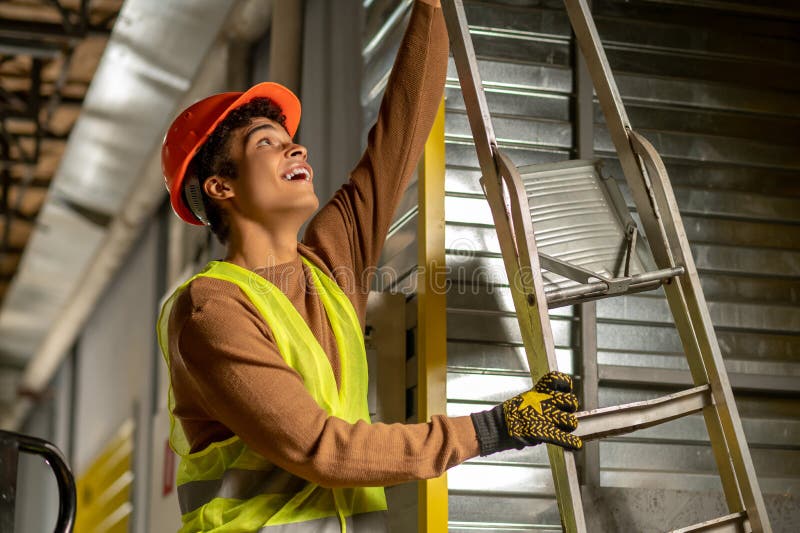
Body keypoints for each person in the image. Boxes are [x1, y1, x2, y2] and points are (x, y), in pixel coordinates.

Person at [157, 1, 582, 531]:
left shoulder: (329, 269)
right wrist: (494, 428)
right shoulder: (211, 310)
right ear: (221, 186)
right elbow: (321, 448)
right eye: (268, 143)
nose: (296, 148)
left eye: (292, 141)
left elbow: (397, 138)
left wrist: (432, 8)